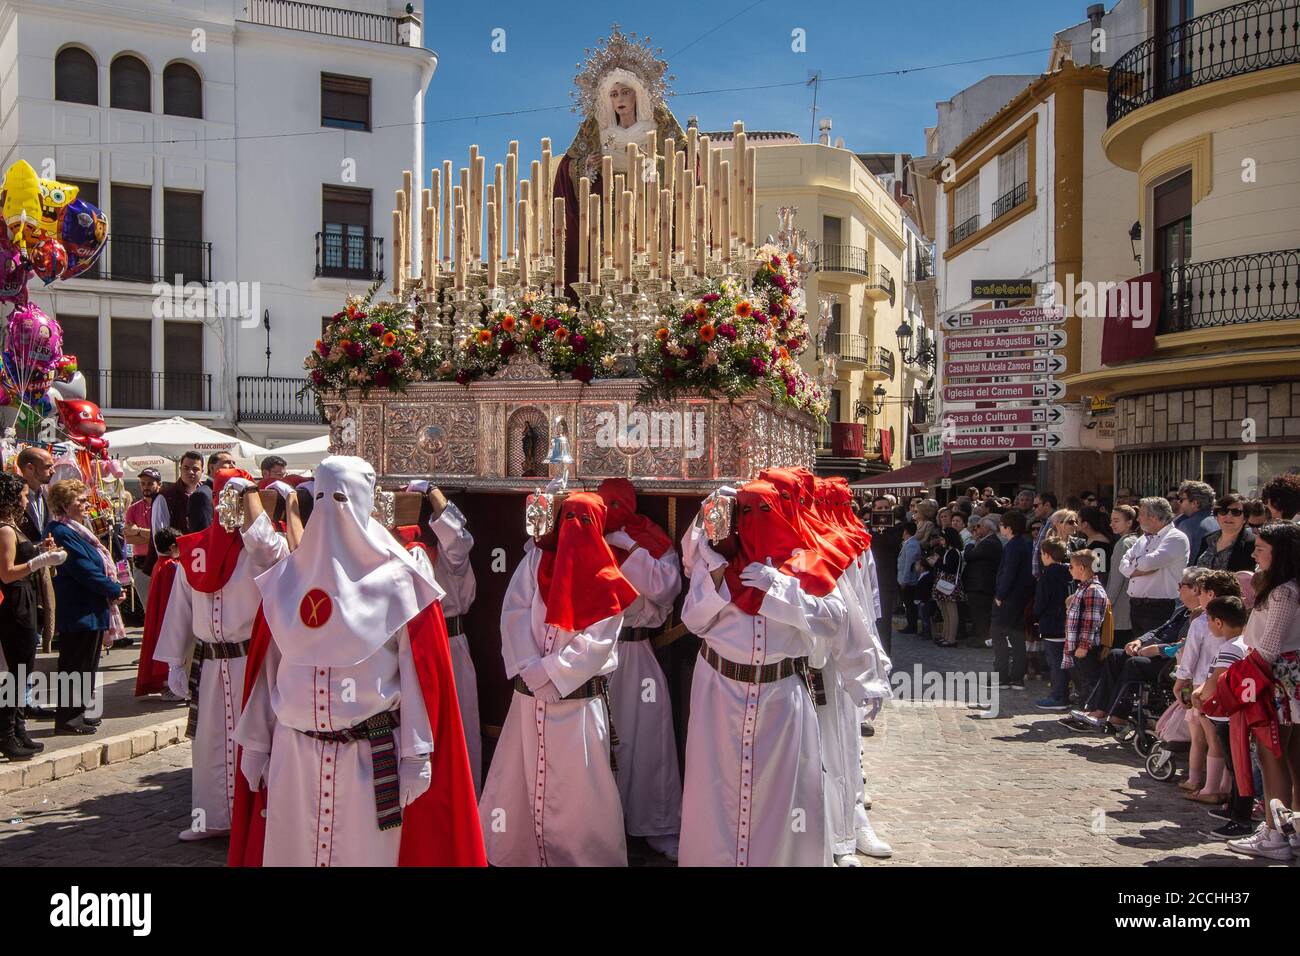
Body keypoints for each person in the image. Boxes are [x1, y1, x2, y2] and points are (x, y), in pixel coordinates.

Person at [231, 456, 484, 867]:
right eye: (324, 498)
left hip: (369, 755)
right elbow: (268, 667)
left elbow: (419, 675)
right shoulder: (287, 578)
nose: (333, 510)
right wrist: (257, 739)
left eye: (343, 498)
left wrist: (416, 754)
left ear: (365, 502)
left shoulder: (402, 581)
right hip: (294, 752)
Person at [679, 480, 851, 867]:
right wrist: (719, 579)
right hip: (719, 693)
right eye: (748, 513)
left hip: (780, 696)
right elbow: (691, 620)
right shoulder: (717, 560)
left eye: (766, 513)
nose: (758, 523)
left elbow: (833, 620)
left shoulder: (806, 558)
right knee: (715, 792)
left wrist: (781, 588)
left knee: (782, 798)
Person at [480, 491, 637, 866]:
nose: (575, 530)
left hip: (577, 706)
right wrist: (529, 666)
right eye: (569, 520)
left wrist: (552, 673)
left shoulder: (607, 575)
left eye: (584, 522)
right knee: (519, 786)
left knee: (581, 795)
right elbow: (514, 610)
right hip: (529, 699)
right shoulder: (536, 559)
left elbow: (598, 641)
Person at [155, 470, 295, 842]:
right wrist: (173, 660)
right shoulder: (193, 550)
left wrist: (252, 500)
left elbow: (271, 551)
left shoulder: (263, 546)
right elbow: (179, 608)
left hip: (252, 661)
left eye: (236, 498)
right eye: (222, 498)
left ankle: (256, 823)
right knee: (208, 746)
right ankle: (209, 819)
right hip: (211, 662)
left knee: (256, 741)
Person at [596, 477, 684, 861]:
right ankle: (598, 827)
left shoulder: (651, 539)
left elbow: (666, 589)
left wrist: (631, 550)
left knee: (647, 742)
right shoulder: (584, 532)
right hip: (594, 652)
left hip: (636, 650)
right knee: (597, 744)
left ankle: (655, 825)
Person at [1225, 522, 1300, 860]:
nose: (1254, 553)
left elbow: (1269, 647)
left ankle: (1275, 834)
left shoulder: (1284, 591)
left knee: (1272, 759)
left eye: (1260, 548)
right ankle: (1289, 829)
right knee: (1292, 760)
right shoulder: (1285, 587)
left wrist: (1228, 679)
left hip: (1277, 681)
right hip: (1286, 679)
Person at [403, 481, 481, 794]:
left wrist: (432, 492)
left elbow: (457, 535)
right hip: (410, 647)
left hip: (450, 644)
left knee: (456, 725)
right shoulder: (393, 550)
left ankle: (462, 795)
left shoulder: (452, 556)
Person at [1066, 566, 1208, 732]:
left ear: (1194, 589)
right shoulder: (1182, 610)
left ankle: (1118, 716)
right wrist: (1139, 641)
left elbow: (1187, 645)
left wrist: (1158, 649)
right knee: (1116, 655)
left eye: (1181, 585)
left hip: (1171, 662)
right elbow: (1160, 629)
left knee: (1134, 664)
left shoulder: (1201, 617)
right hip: (1154, 653)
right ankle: (1098, 710)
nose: (1178, 589)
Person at [48, 479, 124, 735]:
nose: (85, 504)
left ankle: (80, 712)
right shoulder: (61, 532)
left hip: (91, 607)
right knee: (75, 664)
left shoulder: (75, 529)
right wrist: (112, 589)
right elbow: (83, 569)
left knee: (87, 663)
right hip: (79, 607)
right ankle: (68, 718)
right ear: (64, 504)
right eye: (80, 500)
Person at [0, 474, 66, 760]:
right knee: (13, 672)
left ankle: (19, 729)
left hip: (24, 598)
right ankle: (7, 732)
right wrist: (40, 560)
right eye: (24, 495)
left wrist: (40, 549)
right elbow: (6, 572)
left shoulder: (13, 527)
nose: (27, 500)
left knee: (23, 668)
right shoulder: (4, 530)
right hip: (13, 601)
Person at [1174, 571, 1242, 805]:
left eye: (1200, 592)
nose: (1197, 596)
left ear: (1211, 594)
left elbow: (1190, 655)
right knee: (1224, 739)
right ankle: (1224, 786)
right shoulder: (1240, 618)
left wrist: (1180, 680)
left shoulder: (1203, 621)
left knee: (1211, 739)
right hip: (1231, 685)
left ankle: (1210, 787)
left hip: (1205, 685)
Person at [1192, 596, 1255, 840]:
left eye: (1208, 620)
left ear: (1218, 622)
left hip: (1231, 718)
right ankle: (1234, 809)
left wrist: (1199, 694)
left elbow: (1217, 681)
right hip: (1237, 715)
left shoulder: (1230, 648)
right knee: (1235, 766)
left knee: (1238, 767)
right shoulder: (1245, 642)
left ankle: (1241, 818)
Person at [1118, 496, 1190, 639]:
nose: (1138, 519)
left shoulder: (1176, 538)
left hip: (1160, 608)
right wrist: (1136, 568)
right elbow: (1123, 565)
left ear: (1154, 517)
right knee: (1136, 649)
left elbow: (1148, 564)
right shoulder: (1143, 539)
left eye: (1142, 514)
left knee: (1152, 650)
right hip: (1137, 607)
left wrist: (1135, 565)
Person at [16, 446, 56, 664]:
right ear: (30, 468)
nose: (53, 470)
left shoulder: (46, 496)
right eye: (48, 466)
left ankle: (23, 692)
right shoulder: (15, 496)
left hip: (41, 576)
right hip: (18, 576)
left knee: (34, 636)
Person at [134, 526, 182, 700]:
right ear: (172, 548)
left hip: (161, 616)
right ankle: (172, 687)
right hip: (169, 618)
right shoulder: (171, 566)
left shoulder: (160, 564)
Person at [1060, 548, 1109, 710]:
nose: (1069, 569)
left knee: (1089, 681)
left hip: (1086, 647)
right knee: (1082, 681)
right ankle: (1084, 710)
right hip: (1078, 645)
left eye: (1071, 566)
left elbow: (1091, 621)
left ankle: (1089, 712)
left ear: (1082, 568)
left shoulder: (1093, 590)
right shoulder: (1084, 587)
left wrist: (1083, 645)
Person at [991, 510, 1034, 689]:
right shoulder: (1025, 544)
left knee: (998, 635)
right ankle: (1017, 677)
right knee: (1016, 638)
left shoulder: (1013, 546)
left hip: (1009, 598)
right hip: (1020, 597)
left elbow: (1009, 573)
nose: (1000, 527)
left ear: (1008, 527)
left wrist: (1000, 595)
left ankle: (1002, 676)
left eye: (1002, 524)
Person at [1033, 539, 1073, 710]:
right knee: (1064, 661)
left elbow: (1042, 600)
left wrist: (1036, 616)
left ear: (1047, 555)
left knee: (1055, 661)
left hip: (1052, 623)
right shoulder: (1069, 572)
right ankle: (1064, 693)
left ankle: (1058, 696)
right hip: (1067, 622)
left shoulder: (1047, 574)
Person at [123, 467, 162, 607]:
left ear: (159, 484)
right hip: (141, 564)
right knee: (148, 609)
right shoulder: (133, 508)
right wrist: (153, 536)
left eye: (150, 483)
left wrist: (138, 530)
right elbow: (129, 539)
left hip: (161, 561)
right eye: (143, 483)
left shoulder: (164, 505)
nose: (146, 487)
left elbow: (163, 536)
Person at [870, 501, 905, 653]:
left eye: (886, 508)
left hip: (885, 580)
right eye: (879, 508)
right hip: (867, 579)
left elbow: (888, 543)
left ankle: (885, 655)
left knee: (883, 622)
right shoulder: (865, 527)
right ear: (873, 510)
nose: (883, 511)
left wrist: (880, 529)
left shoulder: (897, 528)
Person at [963, 515, 1002, 649]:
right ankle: (980, 637)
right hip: (979, 583)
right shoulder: (987, 541)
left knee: (981, 614)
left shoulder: (989, 542)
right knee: (978, 613)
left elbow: (969, 555)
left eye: (979, 526)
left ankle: (983, 639)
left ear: (988, 528)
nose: (975, 529)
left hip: (982, 584)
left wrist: (971, 542)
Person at [1194, 492, 1257, 571]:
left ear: (1245, 518)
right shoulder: (1207, 539)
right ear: (1217, 516)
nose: (1228, 516)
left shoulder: (1253, 544)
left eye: (1236, 512)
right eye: (1223, 511)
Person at [152, 451, 204, 543]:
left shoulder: (207, 495)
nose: (190, 472)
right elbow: (159, 535)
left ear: (202, 471)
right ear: (180, 469)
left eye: (195, 469)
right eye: (186, 468)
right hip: (176, 554)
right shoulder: (166, 497)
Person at [1107, 506, 1139, 646]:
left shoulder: (1124, 543)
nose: (1111, 524)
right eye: (1111, 520)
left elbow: (1116, 579)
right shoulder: (1137, 540)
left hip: (1120, 608)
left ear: (1129, 522)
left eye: (1116, 520)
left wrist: (1107, 603)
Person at [933, 528, 964, 648]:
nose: (941, 541)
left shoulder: (954, 552)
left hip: (950, 584)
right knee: (946, 612)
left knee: (951, 612)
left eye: (942, 538)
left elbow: (949, 568)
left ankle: (951, 638)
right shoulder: (950, 551)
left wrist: (937, 562)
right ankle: (945, 635)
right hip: (947, 583)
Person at [1175, 480, 1219, 562]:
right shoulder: (1221, 521)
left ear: (1195, 503)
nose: (1179, 502)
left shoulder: (1187, 525)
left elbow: (1179, 557)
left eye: (1181, 499)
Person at [896, 520, 922, 635]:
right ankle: (910, 624)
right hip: (906, 579)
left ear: (905, 531)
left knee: (910, 604)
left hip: (910, 581)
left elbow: (909, 564)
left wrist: (905, 580)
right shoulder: (908, 543)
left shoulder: (912, 544)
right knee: (908, 603)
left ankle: (912, 626)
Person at [1077, 505, 1113, 586]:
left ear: (1085, 524)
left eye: (1077, 520)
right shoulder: (1089, 539)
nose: (1075, 523)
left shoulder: (1100, 546)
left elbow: (1100, 575)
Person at [1030, 492, 1058, 578]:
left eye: (1036, 506)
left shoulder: (1056, 522)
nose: (1033, 509)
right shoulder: (1044, 522)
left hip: (1051, 575)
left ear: (1047, 505)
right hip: (1044, 575)